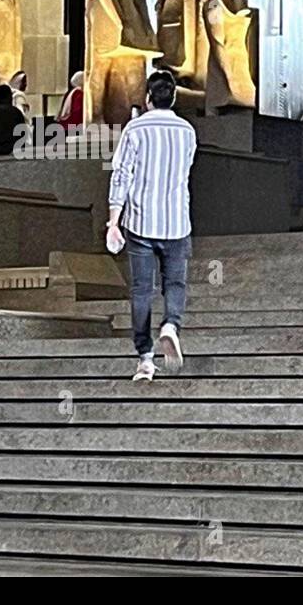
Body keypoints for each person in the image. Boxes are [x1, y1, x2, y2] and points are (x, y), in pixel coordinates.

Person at [106, 70, 198, 381]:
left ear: (148, 98)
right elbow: (185, 171)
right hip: (176, 221)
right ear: (173, 98)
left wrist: (113, 221)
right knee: (175, 283)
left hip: (141, 223)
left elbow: (121, 175)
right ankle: (171, 324)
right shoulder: (187, 131)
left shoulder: (135, 129)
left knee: (142, 290)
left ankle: (145, 357)